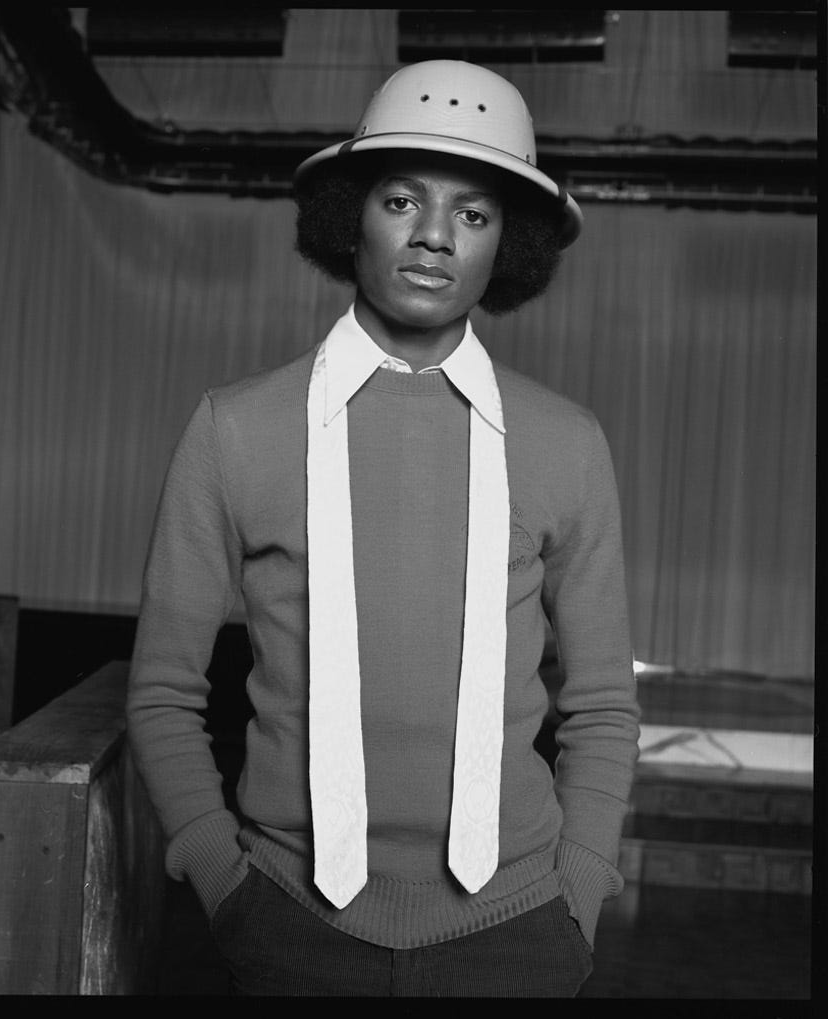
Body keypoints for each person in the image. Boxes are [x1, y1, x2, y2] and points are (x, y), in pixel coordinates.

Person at [127, 60, 640, 997]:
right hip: (287, 924)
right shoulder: (235, 428)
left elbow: (604, 702)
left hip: (518, 933)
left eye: (473, 213)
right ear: (351, 218)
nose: (435, 235)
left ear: (508, 245)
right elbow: (162, 690)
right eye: (403, 200)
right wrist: (223, 882)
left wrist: (577, 898)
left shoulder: (567, 443)